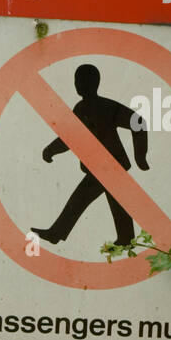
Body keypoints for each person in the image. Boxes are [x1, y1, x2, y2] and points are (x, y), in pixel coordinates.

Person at [30, 63, 148, 246]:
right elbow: (70, 137)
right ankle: (126, 239)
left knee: (80, 199)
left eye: (80, 80)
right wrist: (51, 150)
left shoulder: (94, 107)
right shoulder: (87, 107)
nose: (77, 84)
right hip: (105, 165)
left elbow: (138, 122)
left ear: (91, 83)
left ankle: (56, 233)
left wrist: (141, 157)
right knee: (114, 201)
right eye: (77, 80)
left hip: (107, 165)